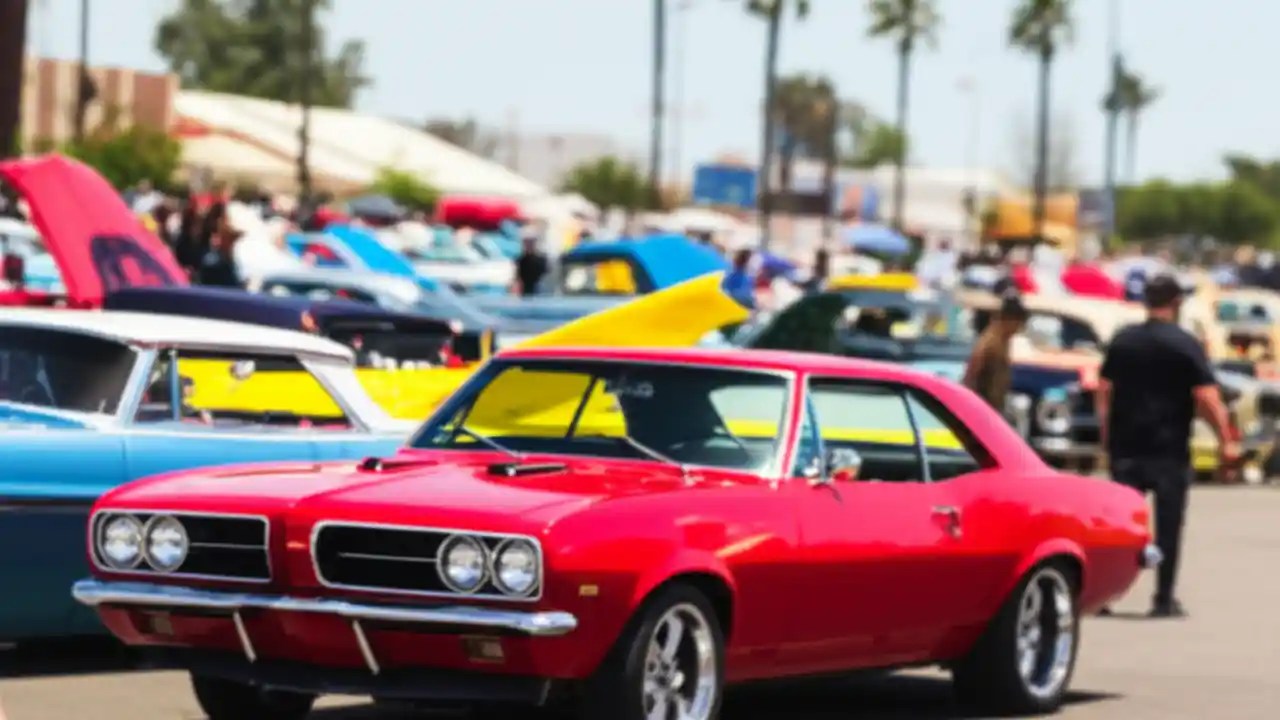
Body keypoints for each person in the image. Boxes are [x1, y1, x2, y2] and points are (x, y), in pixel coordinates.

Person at [1096, 275, 1240, 618]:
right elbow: (1206, 397)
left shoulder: (1124, 341)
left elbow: (1104, 391)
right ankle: (1163, 598)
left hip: (1126, 448)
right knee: (1168, 527)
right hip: (1168, 451)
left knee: (1119, 526)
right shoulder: (1185, 344)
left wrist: (1106, 436)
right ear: (1176, 303)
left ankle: (1103, 596)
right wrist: (1226, 440)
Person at [962, 293, 1028, 412]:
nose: (1018, 329)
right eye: (1018, 323)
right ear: (1008, 319)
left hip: (994, 407)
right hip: (982, 407)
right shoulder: (990, 343)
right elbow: (972, 377)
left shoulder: (1004, 342)